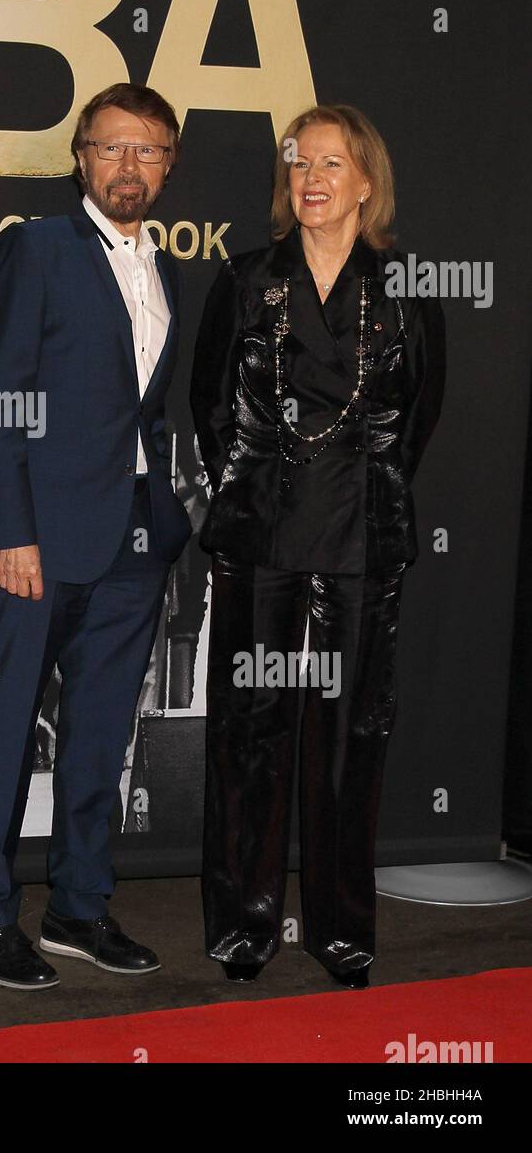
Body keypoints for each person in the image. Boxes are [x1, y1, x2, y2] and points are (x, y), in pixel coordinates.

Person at [189, 104, 445, 988]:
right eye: (300, 163)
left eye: (333, 164)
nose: (312, 177)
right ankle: (245, 924)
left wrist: (363, 489)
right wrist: (256, 484)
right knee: (250, 730)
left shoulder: (406, 289)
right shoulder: (247, 278)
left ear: (365, 184)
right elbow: (211, 408)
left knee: (348, 737)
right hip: (264, 533)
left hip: (360, 535)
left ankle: (340, 926)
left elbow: (417, 419)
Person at [0, 82, 192, 989]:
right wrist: (9, 532)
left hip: (135, 541)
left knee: (100, 736)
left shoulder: (167, 268)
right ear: (81, 158)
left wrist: (166, 512)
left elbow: (145, 406)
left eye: (149, 150)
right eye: (111, 147)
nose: (129, 165)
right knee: (7, 732)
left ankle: (79, 909)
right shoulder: (38, 249)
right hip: (40, 544)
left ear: (169, 165)